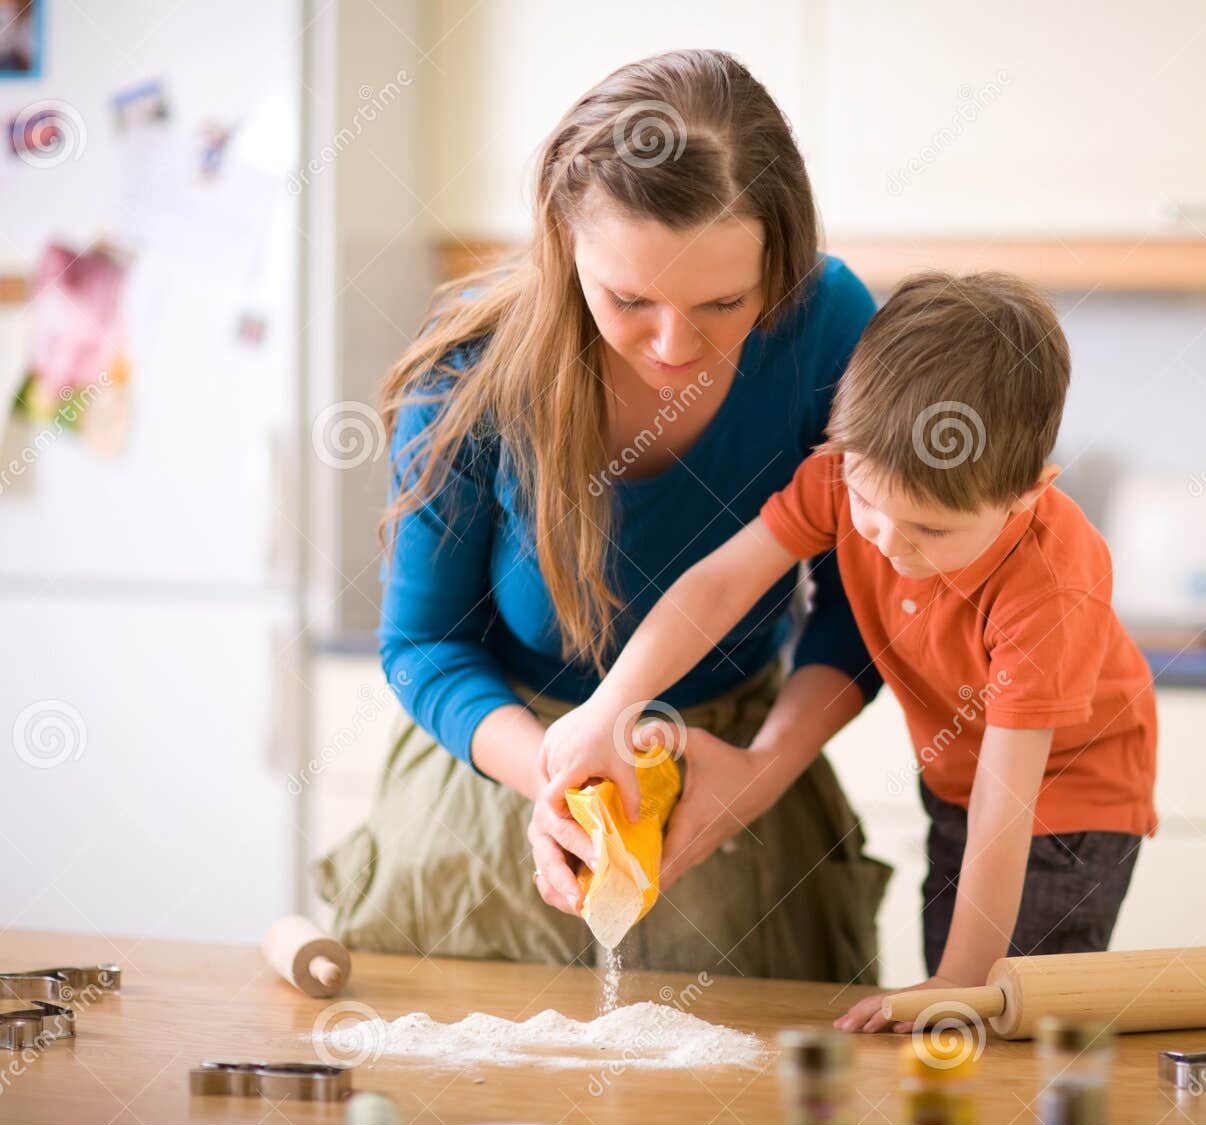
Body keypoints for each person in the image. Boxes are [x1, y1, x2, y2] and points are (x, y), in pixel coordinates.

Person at [314, 50, 889, 983]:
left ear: (778, 267)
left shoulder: (826, 325)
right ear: (563, 238)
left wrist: (761, 774)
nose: (674, 345)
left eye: (724, 303)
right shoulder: (467, 370)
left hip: (735, 780)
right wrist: (553, 770)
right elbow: (423, 646)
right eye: (629, 298)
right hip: (496, 790)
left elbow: (863, 606)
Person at [539, 271, 1159, 1029]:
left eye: (930, 529)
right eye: (866, 503)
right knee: (951, 1009)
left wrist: (961, 978)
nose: (888, 541)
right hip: (960, 786)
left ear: (1027, 494)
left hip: (1066, 807)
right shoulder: (843, 473)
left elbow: (1009, 806)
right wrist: (611, 706)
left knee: (1003, 1016)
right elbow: (718, 585)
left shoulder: (1050, 584)